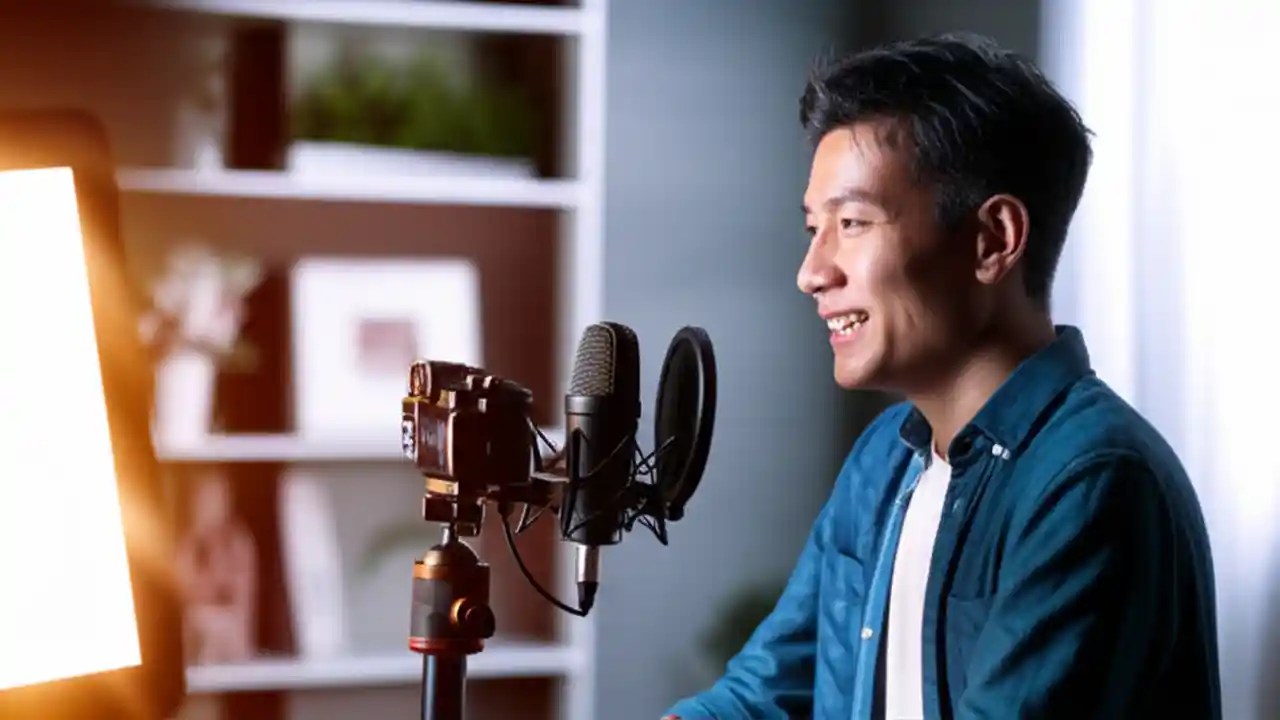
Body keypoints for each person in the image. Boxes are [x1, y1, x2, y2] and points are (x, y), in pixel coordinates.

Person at [662, 33, 1221, 720]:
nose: (812, 272)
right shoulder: (883, 461)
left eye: (853, 222)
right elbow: (765, 695)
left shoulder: (1090, 481)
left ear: (993, 240)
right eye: (814, 227)